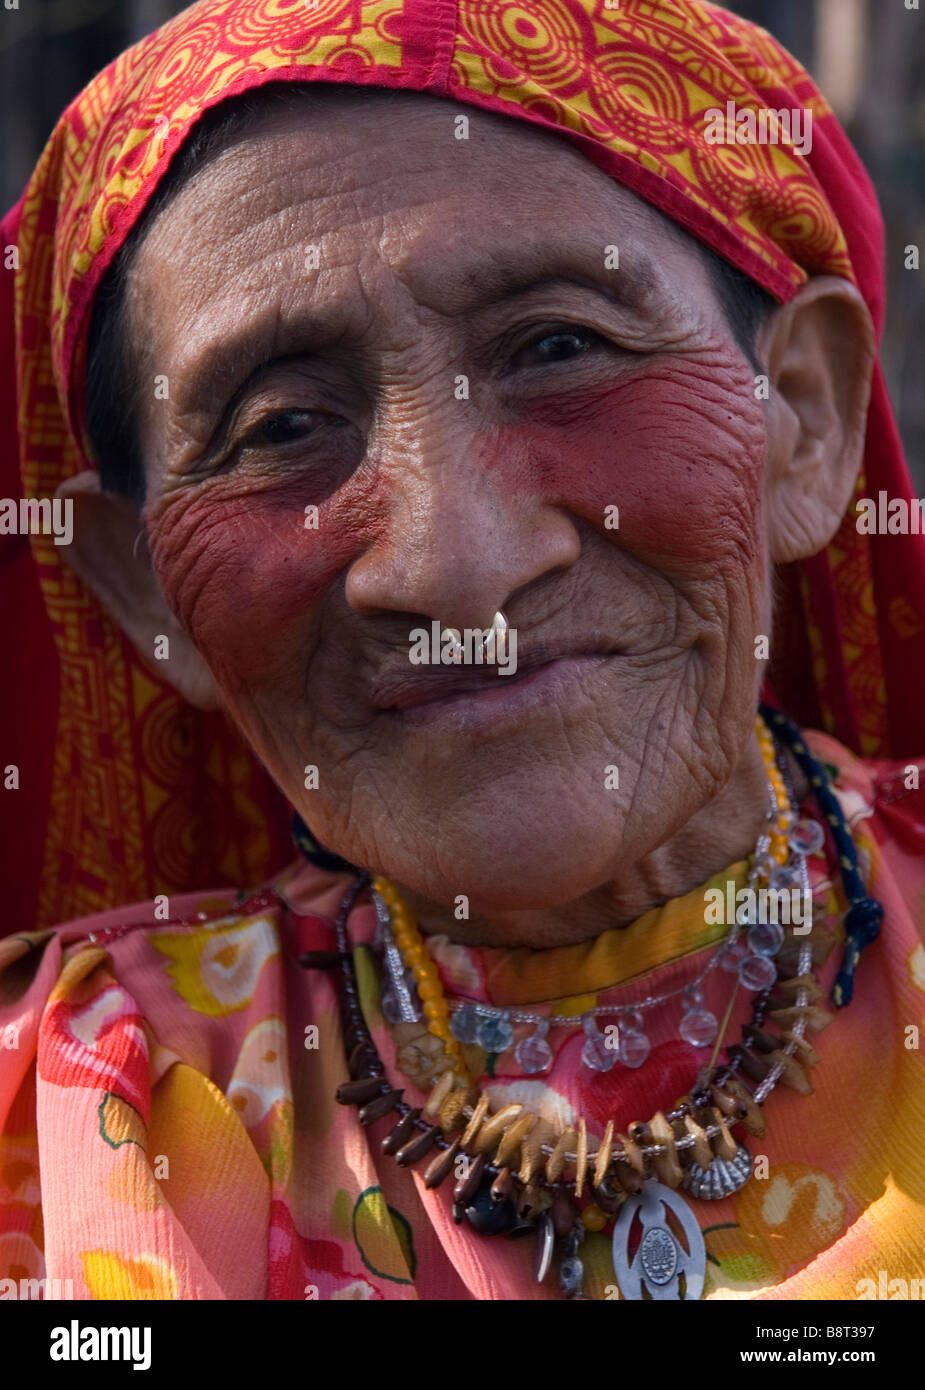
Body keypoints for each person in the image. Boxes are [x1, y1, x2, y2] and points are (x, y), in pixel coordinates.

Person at [1, 0, 923, 1302]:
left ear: (803, 419)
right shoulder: (86, 1107)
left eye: (559, 349)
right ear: (145, 590)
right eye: (278, 429)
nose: (452, 563)